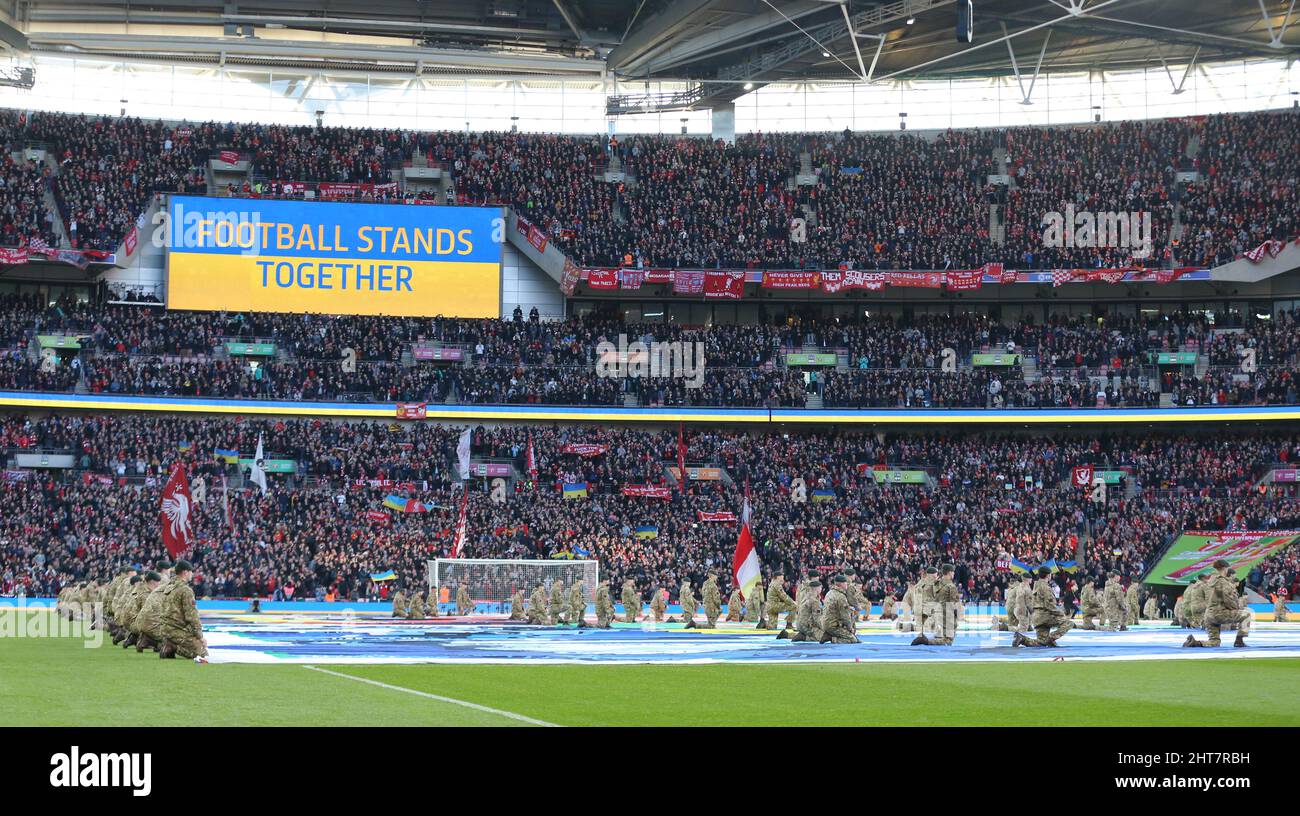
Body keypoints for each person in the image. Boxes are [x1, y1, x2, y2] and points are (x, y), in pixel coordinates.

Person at [1183, 560, 1250, 648]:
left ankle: (1195, 643)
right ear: (1225, 568)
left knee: (1214, 642)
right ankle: (1239, 641)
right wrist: (1236, 610)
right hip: (1219, 613)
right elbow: (1229, 600)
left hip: (1208, 615)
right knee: (1246, 614)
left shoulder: (1209, 581)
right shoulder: (1223, 582)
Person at [159, 560, 208, 662]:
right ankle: (172, 647)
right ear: (185, 572)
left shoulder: (169, 586)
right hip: (175, 630)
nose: (192, 574)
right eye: (191, 571)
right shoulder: (185, 590)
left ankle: (169, 644)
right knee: (202, 653)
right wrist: (200, 637)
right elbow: (192, 617)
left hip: (165, 628)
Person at [1014, 568, 1073, 648]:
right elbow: (1050, 605)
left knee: (1041, 643)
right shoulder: (1045, 587)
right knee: (1069, 623)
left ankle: (1022, 639)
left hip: (1037, 617)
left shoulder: (1036, 585)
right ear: (1048, 575)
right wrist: (1061, 614)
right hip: (1045, 616)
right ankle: (1048, 640)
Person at [783, 571, 825, 642]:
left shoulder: (803, 585)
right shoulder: (809, 588)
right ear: (814, 577)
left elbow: (799, 599)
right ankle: (801, 636)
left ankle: (788, 635)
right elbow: (815, 614)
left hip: (803, 617)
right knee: (822, 636)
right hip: (807, 620)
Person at [818, 574, 860, 644]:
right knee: (852, 639)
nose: (847, 584)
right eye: (845, 583)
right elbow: (845, 616)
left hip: (826, 623)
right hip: (833, 626)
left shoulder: (829, 593)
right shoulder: (840, 596)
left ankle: (829, 634)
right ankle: (831, 638)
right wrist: (850, 629)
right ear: (841, 584)